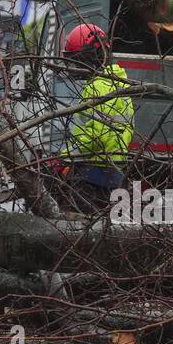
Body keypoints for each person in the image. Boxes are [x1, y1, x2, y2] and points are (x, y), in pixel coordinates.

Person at [51, 22, 134, 211]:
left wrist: (64, 159)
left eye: (77, 59)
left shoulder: (99, 87)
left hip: (95, 174)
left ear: (91, 56)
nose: (74, 66)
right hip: (113, 169)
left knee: (75, 226)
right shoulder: (118, 82)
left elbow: (96, 136)